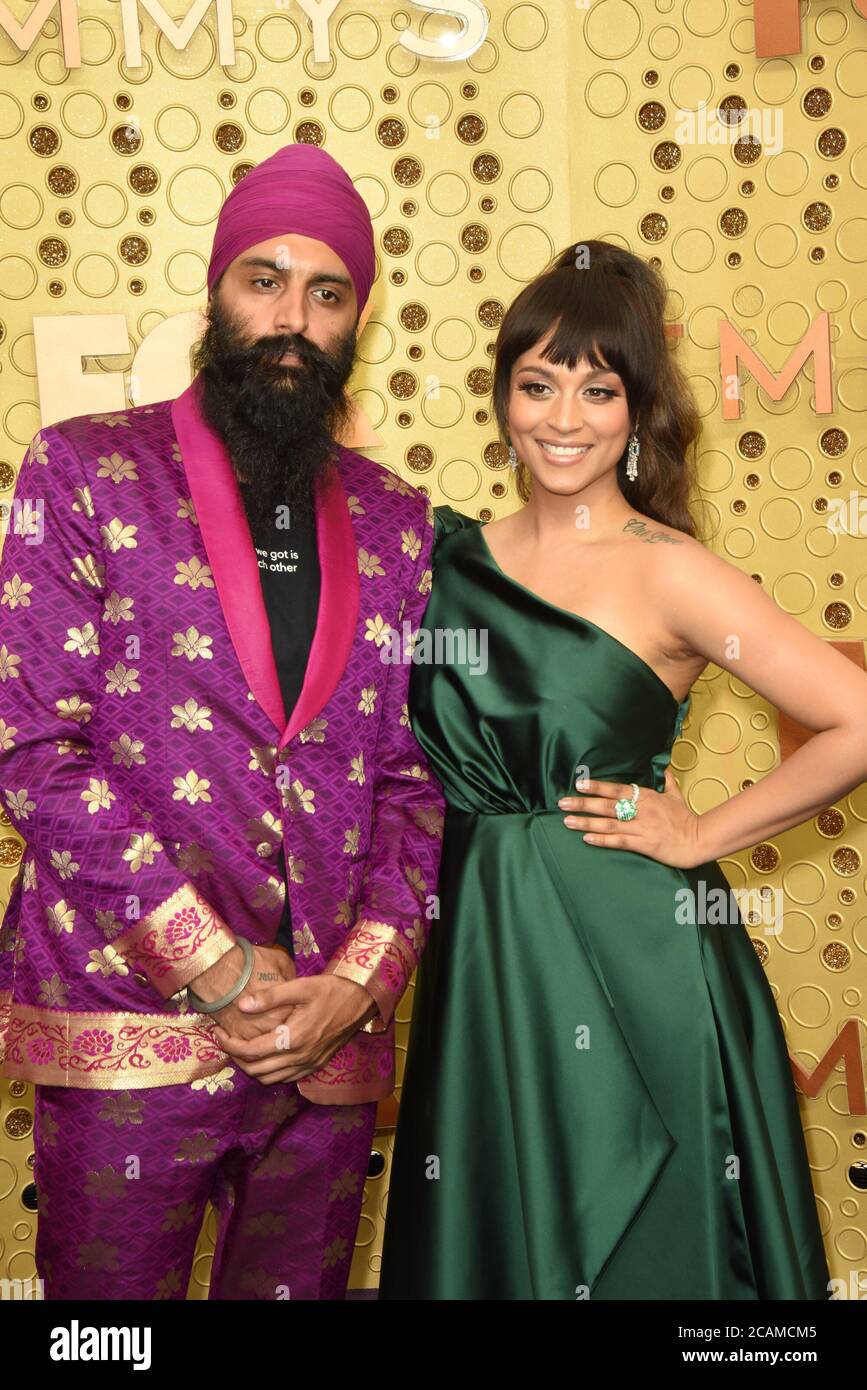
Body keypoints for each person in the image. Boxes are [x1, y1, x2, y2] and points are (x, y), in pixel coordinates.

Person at [378, 240, 865, 1300]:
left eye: (597, 389)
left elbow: (854, 721)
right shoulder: (440, 558)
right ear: (503, 397)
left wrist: (701, 834)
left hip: (635, 951)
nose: (562, 417)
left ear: (636, 409)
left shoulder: (671, 570)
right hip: (486, 949)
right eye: (537, 383)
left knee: (654, 1244)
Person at [0, 143, 444, 1300]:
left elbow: (414, 778)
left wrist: (357, 979)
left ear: (357, 321)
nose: (292, 317)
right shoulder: (87, 470)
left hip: (323, 1041)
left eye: (328, 291)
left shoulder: (399, 522)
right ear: (214, 291)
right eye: (265, 278)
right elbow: (37, 746)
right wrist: (213, 963)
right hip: (126, 1021)